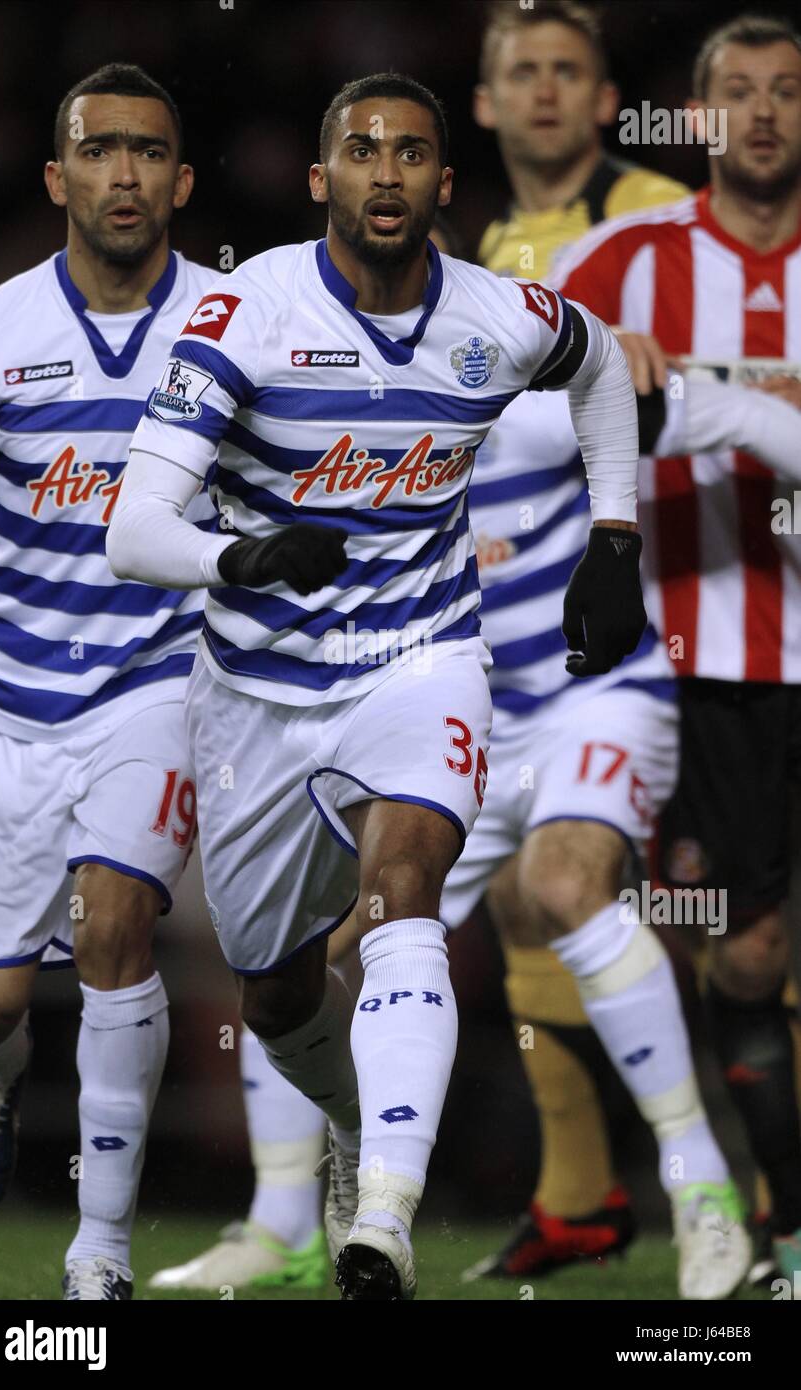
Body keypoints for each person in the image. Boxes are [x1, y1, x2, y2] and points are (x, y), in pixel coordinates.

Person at [107, 70, 651, 1301]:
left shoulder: (500, 314)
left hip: (423, 663)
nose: (386, 173)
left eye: (411, 154)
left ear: (443, 185)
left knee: (406, 888)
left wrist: (612, 533)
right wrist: (235, 555)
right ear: (321, 180)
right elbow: (132, 529)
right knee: (276, 985)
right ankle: (357, 1127)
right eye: (361, 151)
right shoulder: (243, 315)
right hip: (255, 694)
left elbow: (602, 363)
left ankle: (385, 1223)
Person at [0, 63, 215, 1300]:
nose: (126, 173)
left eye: (149, 152)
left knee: (117, 922)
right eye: (101, 151)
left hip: (158, 682)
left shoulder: (231, 327)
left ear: (183, 180)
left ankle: (97, 1255)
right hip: (6, 701)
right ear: (58, 177)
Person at [553, 11, 801, 1283]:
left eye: (786, 92)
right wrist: (598, 360)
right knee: (746, 947)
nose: (763, 114)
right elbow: (510, 376)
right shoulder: (619, 260)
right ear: (698, 120)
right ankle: (785, 1224)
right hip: (711, 659)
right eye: (738, 93)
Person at [469, 0, 693, 1273]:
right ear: (489, 101)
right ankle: (583, 1194)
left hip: (695, 602)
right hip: (561, 623)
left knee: (729, 931)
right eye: (522, 72)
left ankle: (758, 1192)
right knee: (526, 896)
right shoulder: (500, 247)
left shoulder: (661, 215)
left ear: (608, 98)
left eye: (570, 70)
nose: (547, 91)